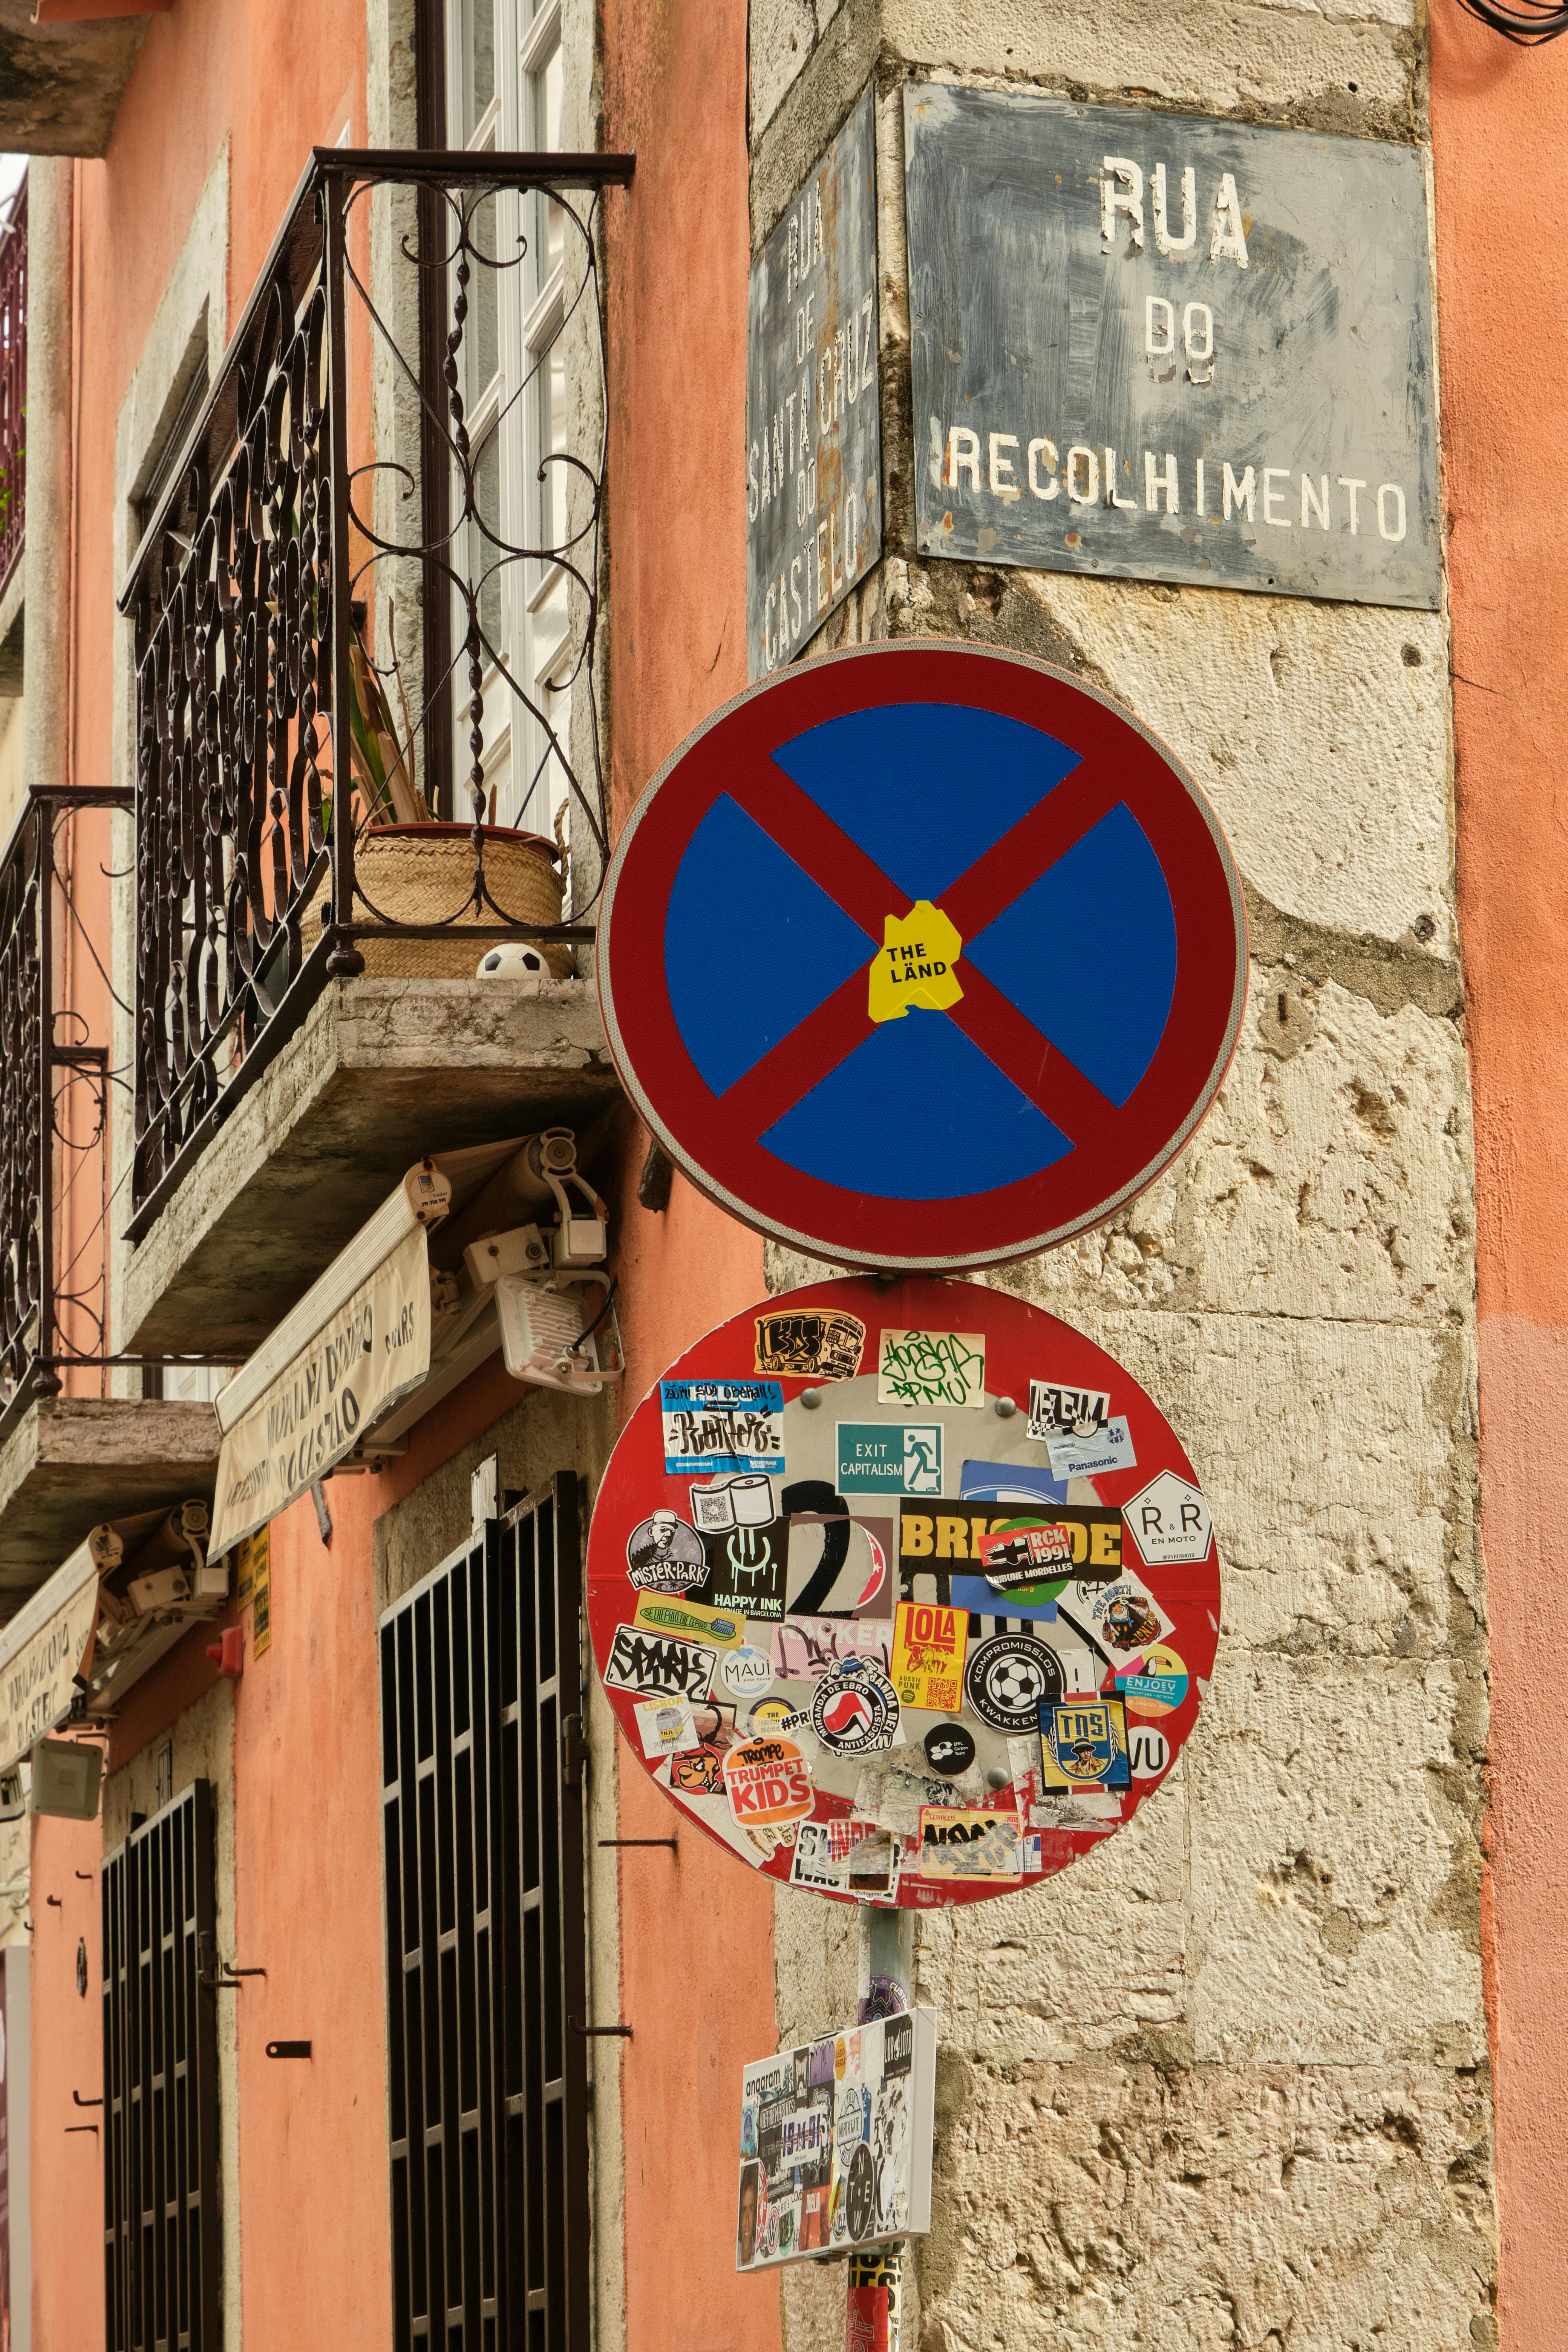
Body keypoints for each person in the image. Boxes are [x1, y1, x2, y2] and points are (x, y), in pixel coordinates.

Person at [737, 2162, 760, 2266]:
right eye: (744, 2210)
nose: (747, 2222)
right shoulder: (734, 2254)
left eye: (751, 2210)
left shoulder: (759, 2257)